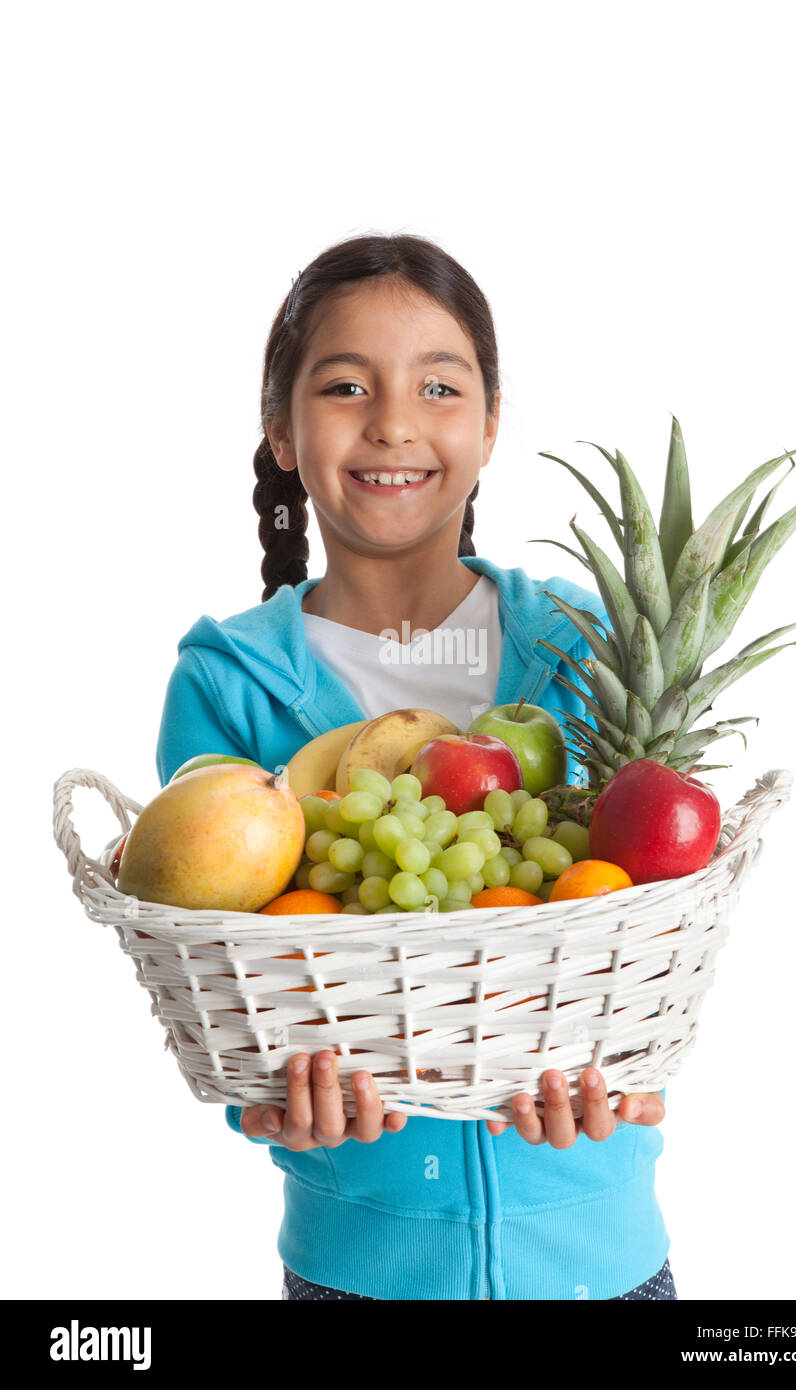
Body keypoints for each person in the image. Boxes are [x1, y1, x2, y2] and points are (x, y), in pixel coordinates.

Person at [155, 232, 674, 1301]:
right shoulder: (227, 685)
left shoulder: (591, 653)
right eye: (345, 386)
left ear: (488, 428)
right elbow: (208, 963)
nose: (392, 421)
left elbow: (653, 926)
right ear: (281, 433)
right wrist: (267, 1103)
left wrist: (630, 1074)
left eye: (438, 386)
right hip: (357, 1268)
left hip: (602, 1262)